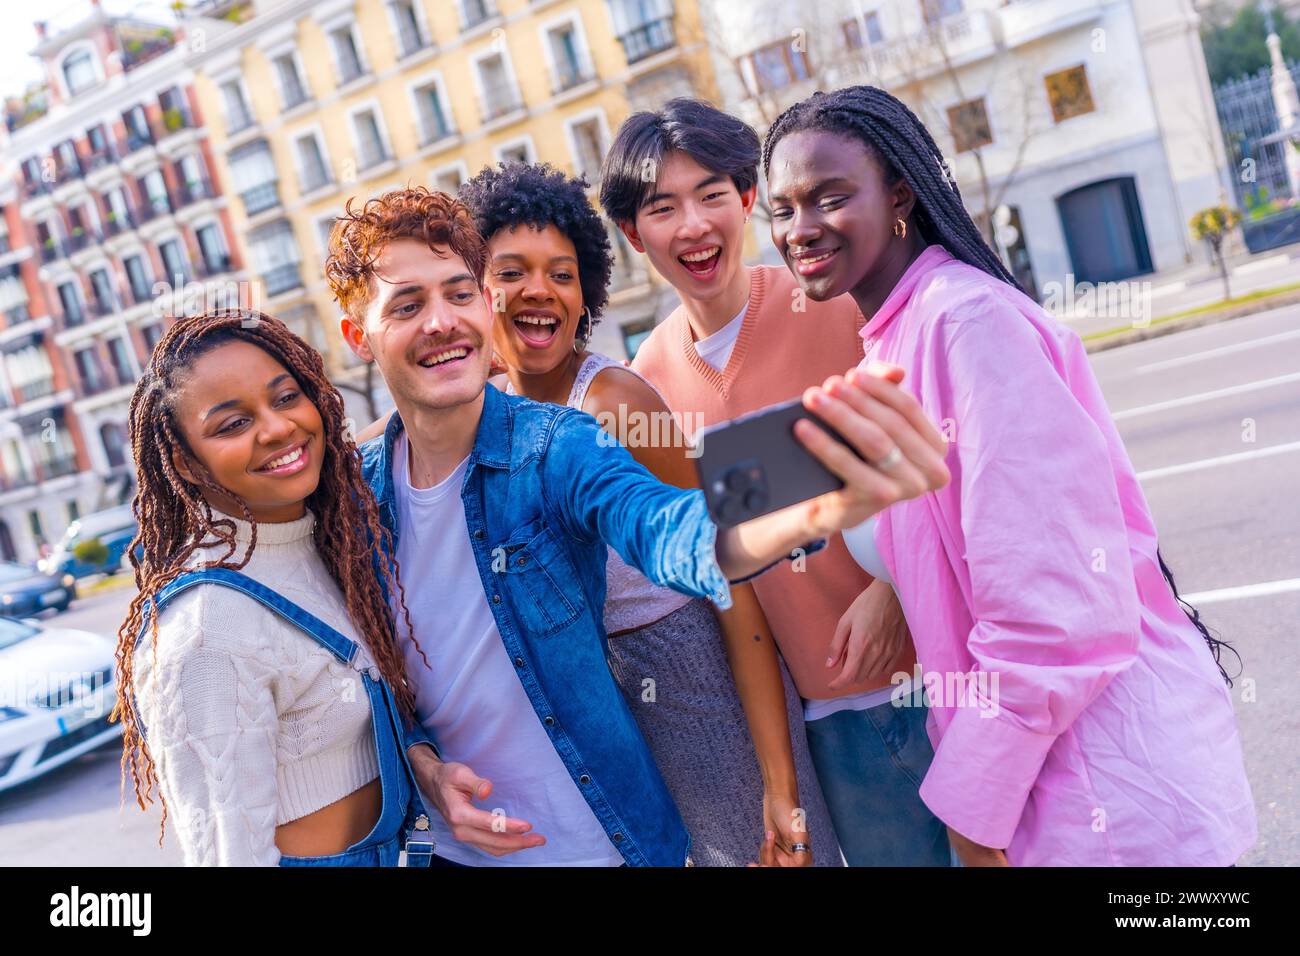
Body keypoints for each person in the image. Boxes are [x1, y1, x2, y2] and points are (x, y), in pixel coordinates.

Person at [325, 185, 948, 866]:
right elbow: (377, 670)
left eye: (458, 293)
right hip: (455, 850)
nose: (442, 322)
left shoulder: (558, 445)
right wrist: (421, 762)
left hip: (608, 834)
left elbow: (669, 529)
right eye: (409, 306)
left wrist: (811, 498)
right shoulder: (358, 490)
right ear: (360, 336)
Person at [762, 84, 1257, 867]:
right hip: (1052, 783)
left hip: (1103, 795)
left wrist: (972, 811)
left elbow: (1052, 614)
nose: (802, 228)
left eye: (829, 197)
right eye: (783, 209)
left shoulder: (965, 323)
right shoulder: (896, 337)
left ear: (899, 196)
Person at [600, 97, 951, 866]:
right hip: (825, 717)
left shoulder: (831, 302)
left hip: (939, 675)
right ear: (634, 235)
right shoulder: (644, 385)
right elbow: (719, 561)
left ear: (748, 200)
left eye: (712, 195)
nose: (693, 225)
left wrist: (893, 584)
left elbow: (937, 453)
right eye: (663, 208)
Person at [464, 161, 839, 866]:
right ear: (476, 290)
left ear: (586, 295)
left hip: (702, 689)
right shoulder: (482, 410)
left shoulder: (615, 404)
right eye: (511, 272)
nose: (539, 291)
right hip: (605, 705)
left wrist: (779, 787)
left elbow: (732, 585)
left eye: (563, 274)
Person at [113, 311, 435, 867]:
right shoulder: (206, 627)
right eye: (232, 424)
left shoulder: (325, 545)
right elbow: (227, 856)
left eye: (285, 398)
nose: (278, 428)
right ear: (187, 464)